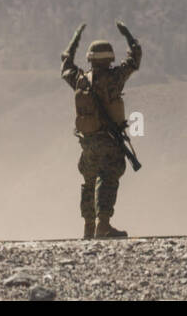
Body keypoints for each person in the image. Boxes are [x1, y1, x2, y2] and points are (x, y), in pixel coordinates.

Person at [60, 21, 141, 239]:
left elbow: (65, 63)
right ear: (109, 59)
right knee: (107, 178)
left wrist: (75, 38)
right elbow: (135, 58)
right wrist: (128, 35)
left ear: (90, 59)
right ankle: (103, 226)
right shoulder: (114, 79)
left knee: (89, 182)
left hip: (87, 143)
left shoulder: (80, 81)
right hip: (108, 142)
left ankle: (89, 228)